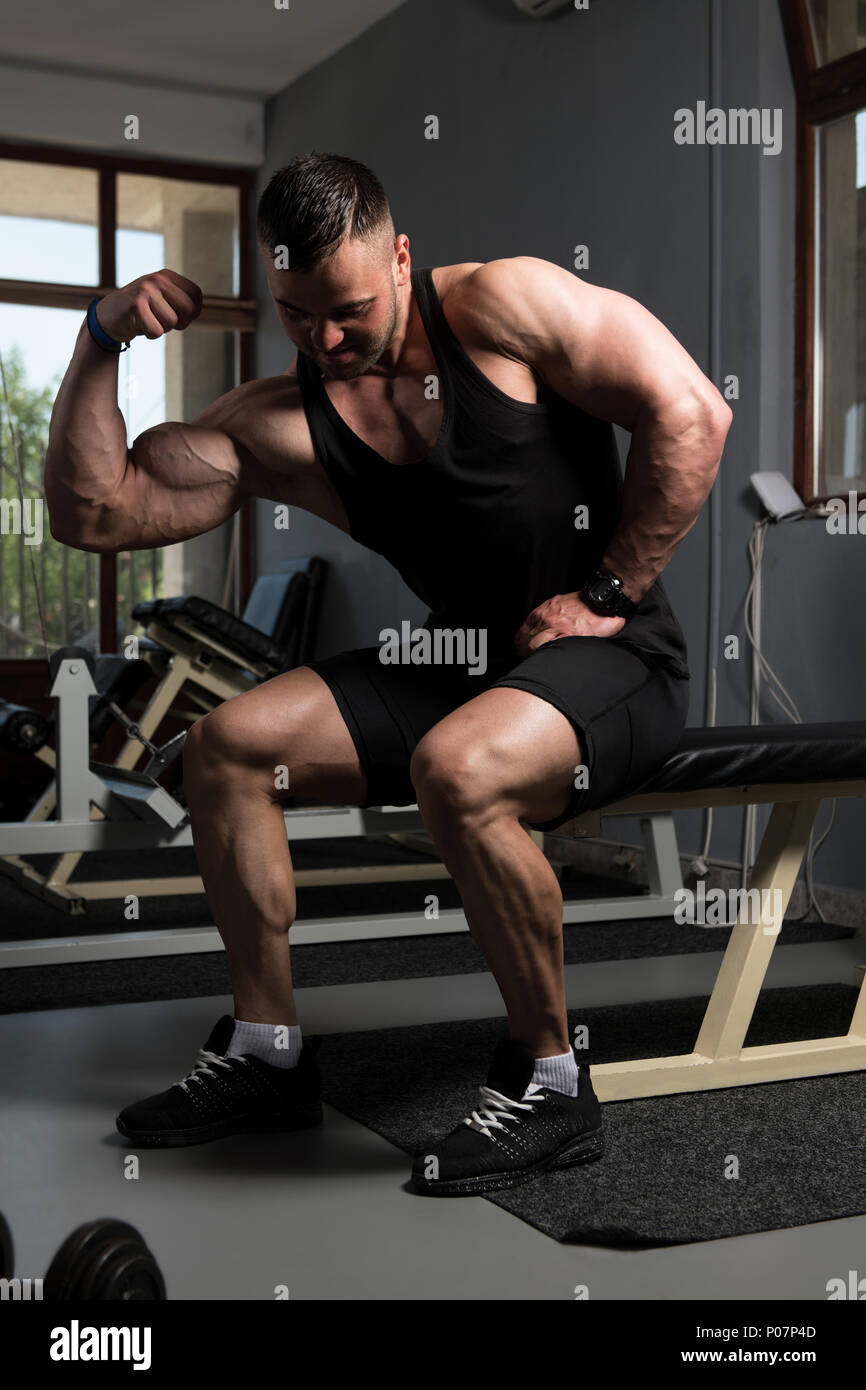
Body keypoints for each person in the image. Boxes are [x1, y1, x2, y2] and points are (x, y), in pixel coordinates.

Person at [44, 152, 731, 1197]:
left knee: (453, 766)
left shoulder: (504, 304)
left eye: (346, 311)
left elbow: (691, 411)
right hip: (461, 666)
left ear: (399, 257)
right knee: (228, 747)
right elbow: (92, 514)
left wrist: (605, 592)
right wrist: (100, 340)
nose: (322, 339)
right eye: (294, 313)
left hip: (611, 661)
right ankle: (266, 1051)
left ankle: (548, 1081)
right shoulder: (280, 422)